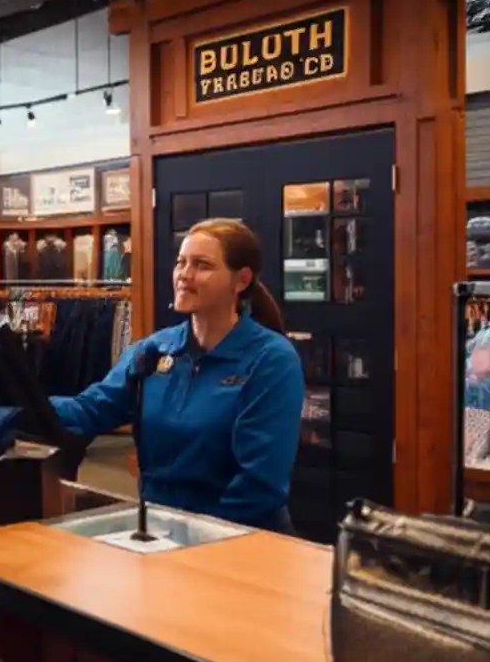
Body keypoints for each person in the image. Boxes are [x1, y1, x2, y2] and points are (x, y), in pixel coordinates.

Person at [50, 219, 304, 533]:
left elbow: (260, 483)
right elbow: (90, 410)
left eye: (202, 265)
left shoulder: (271, 359)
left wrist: (196, 537)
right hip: (159, 534)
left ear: (241, 280)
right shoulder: (154, 350)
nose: (184, 274)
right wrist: (13, 406)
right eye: (181, 262)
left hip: (240, 543)